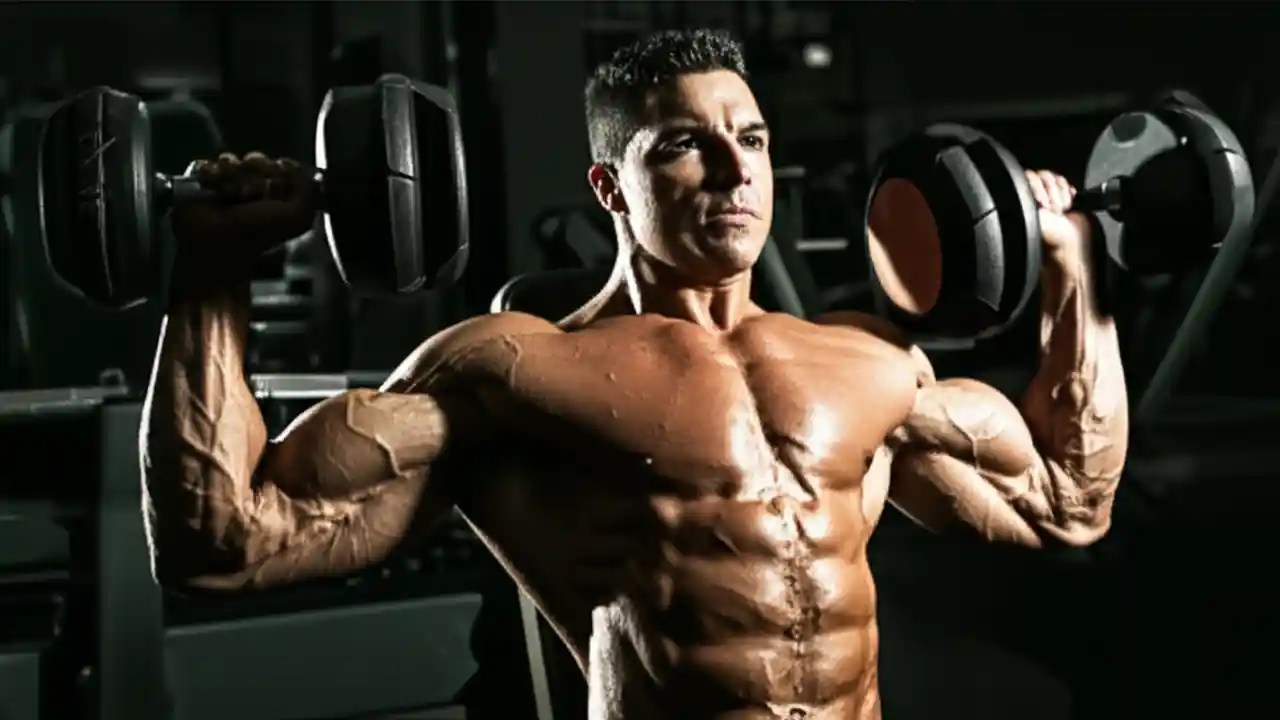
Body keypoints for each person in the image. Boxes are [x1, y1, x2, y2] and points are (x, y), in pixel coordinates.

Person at [140, 29, 1127, 720]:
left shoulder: (869, 363)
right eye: (687, 146)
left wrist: (1072, 267)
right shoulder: (518, 372)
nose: (736, 174)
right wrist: (214, 273)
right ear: (610, 185)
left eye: (750, 141)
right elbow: (227, 540)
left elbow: (1065, 500)